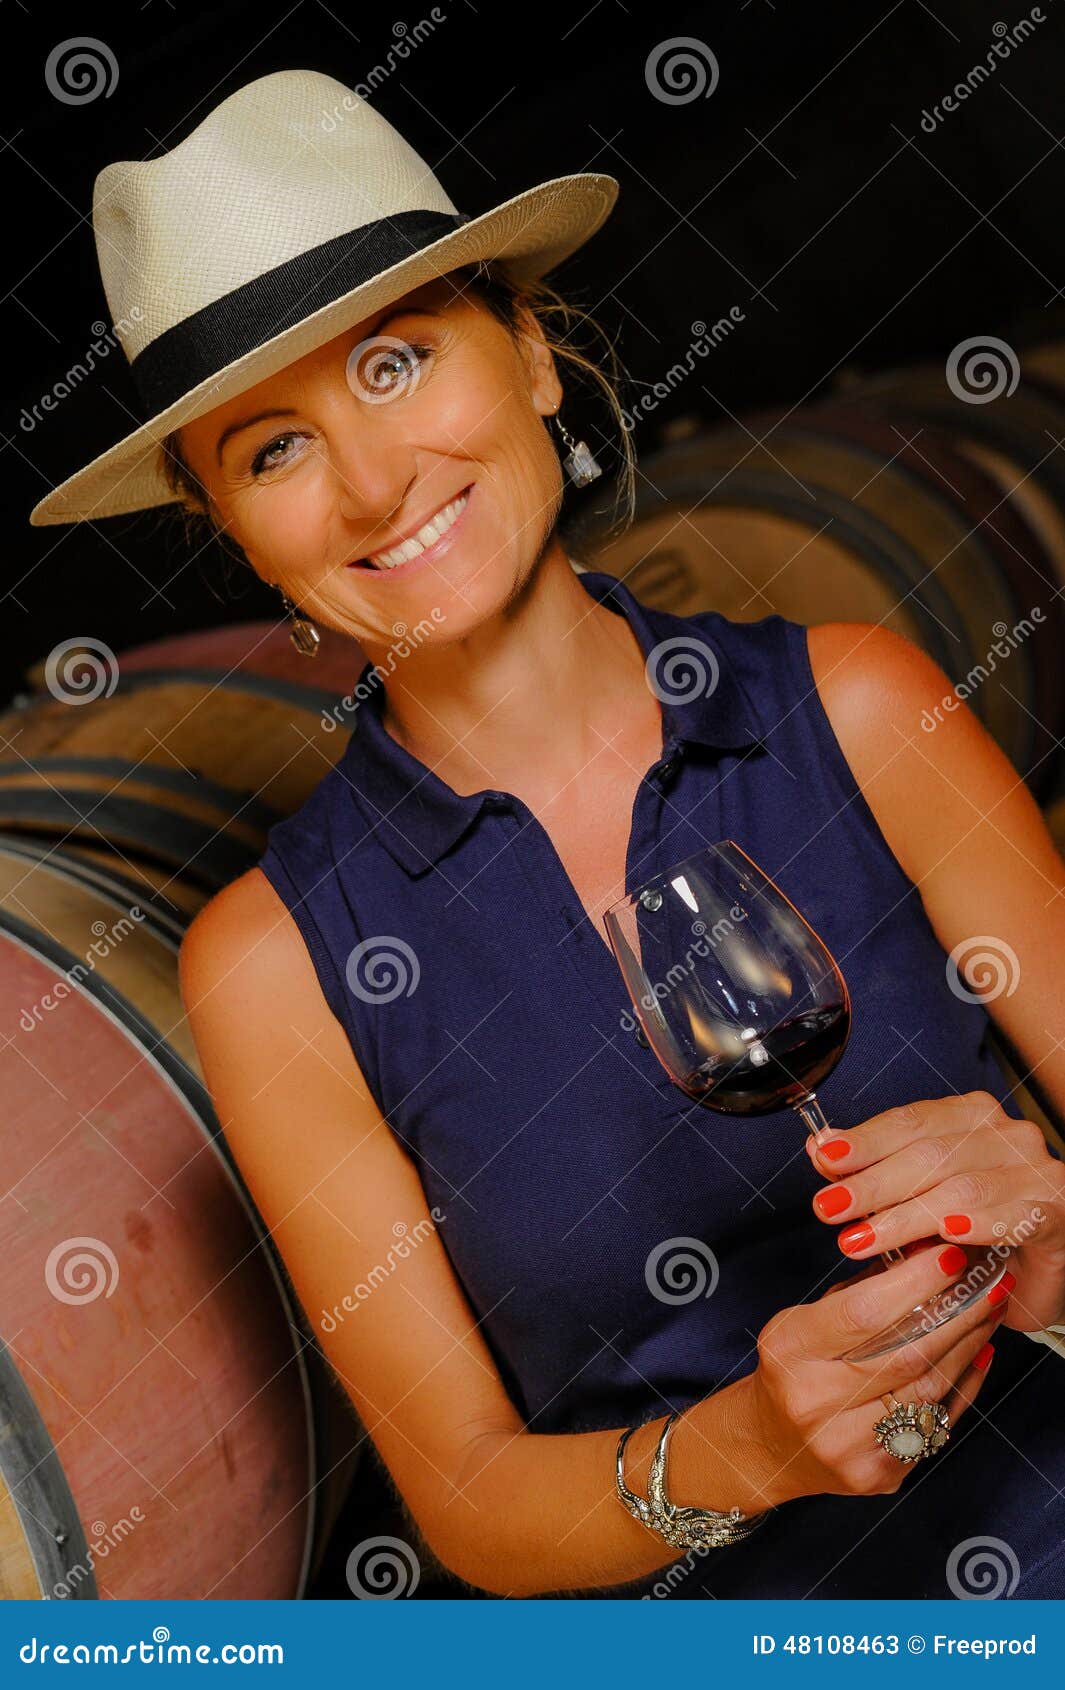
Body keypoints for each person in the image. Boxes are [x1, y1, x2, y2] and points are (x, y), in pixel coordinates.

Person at [30, 68, 1065, 1601]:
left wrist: (1047, 1247)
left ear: (527, 353)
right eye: (273, 448)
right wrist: (751, 1450)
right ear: (230, 526)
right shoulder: (276, 962)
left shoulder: (857, 706)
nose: (372, 483)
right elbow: (462, 1497)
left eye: (393, 363)